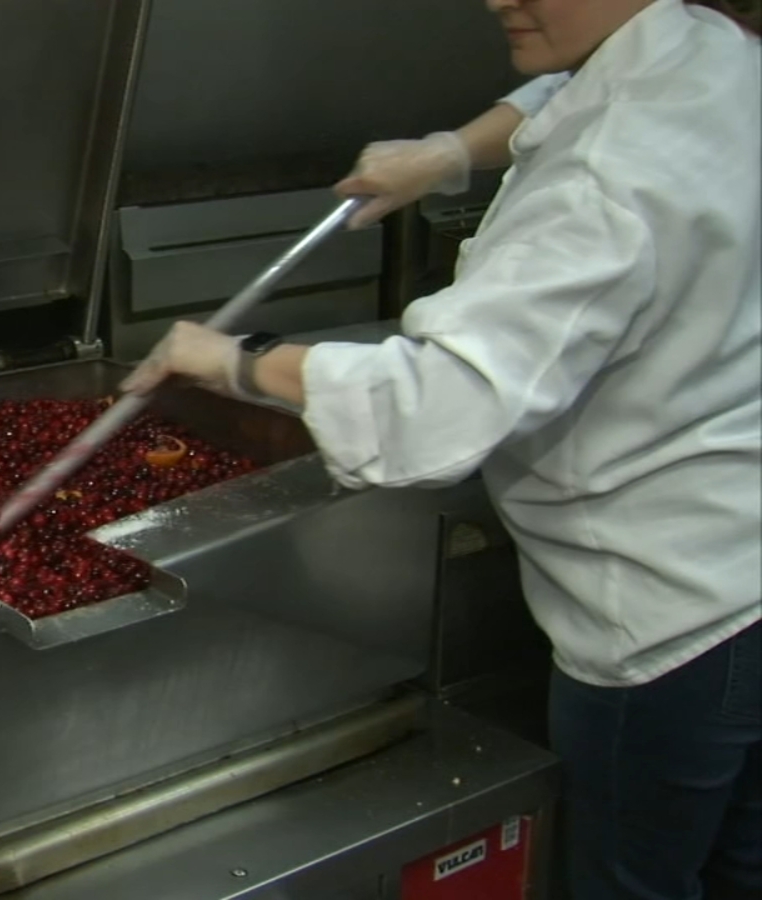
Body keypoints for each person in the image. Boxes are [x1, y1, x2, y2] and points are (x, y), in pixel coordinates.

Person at [124, 1, 761, 898]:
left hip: (670, 625)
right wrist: (452, 152)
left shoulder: (605, 183)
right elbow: (570, 88)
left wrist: (235, 359)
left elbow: (433, 408)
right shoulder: (713, 45)